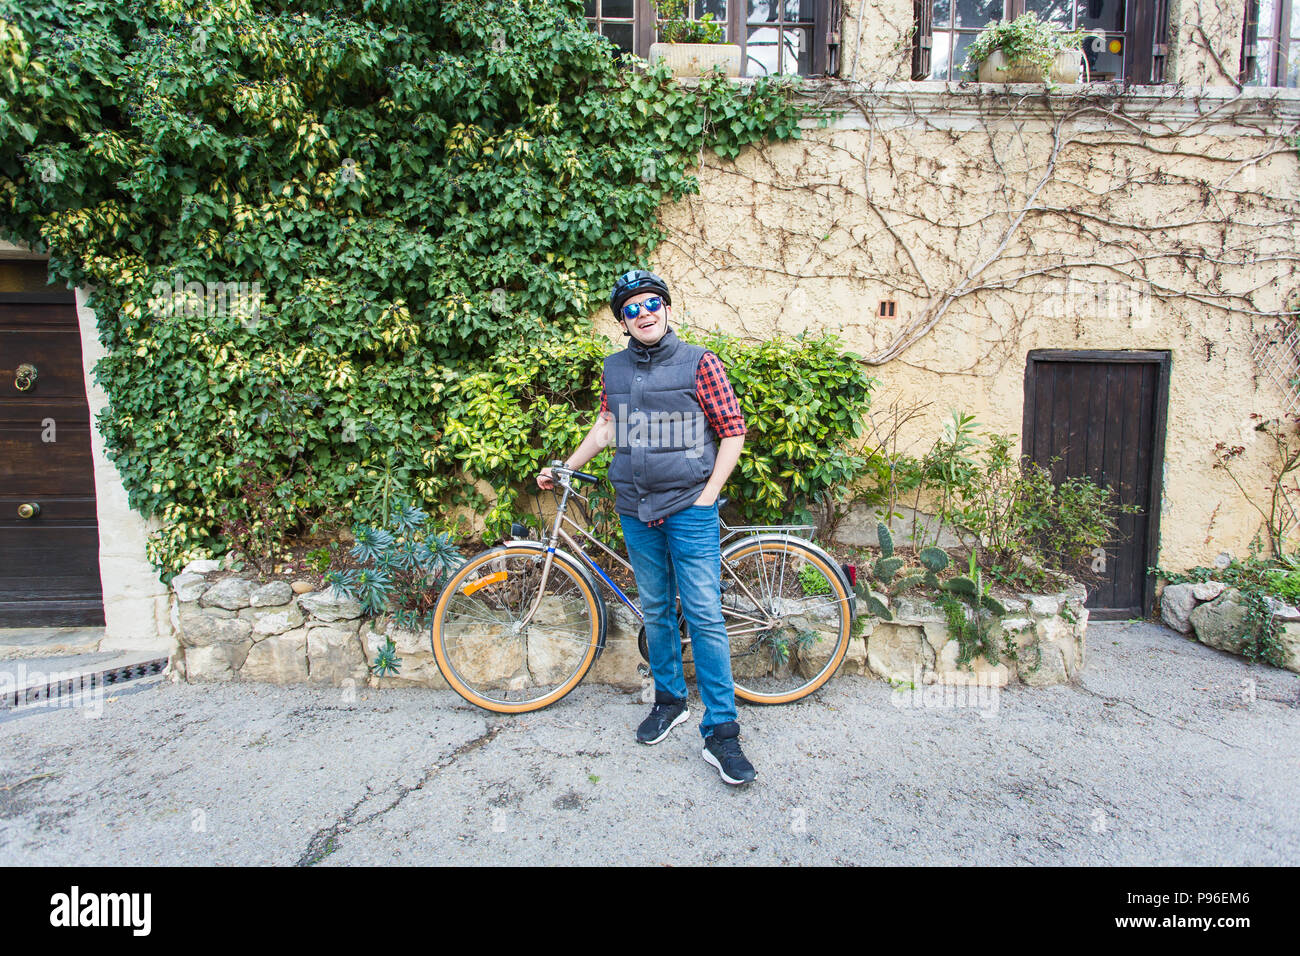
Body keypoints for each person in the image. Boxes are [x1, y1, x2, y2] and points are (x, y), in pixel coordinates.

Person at [537, 269, 757, 786]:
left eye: (652, 303)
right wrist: (566, 465)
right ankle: (669, 699)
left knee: (703, 614)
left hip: (689, 508)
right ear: (622, 321)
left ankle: (722, 731)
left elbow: (732, 432)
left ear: (667, 308)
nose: (644, 313)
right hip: (635, 508)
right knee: (656, 609)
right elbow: (608, 427)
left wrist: (707, 498)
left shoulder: (700, 362)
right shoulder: (613, 369)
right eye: (631, 308)